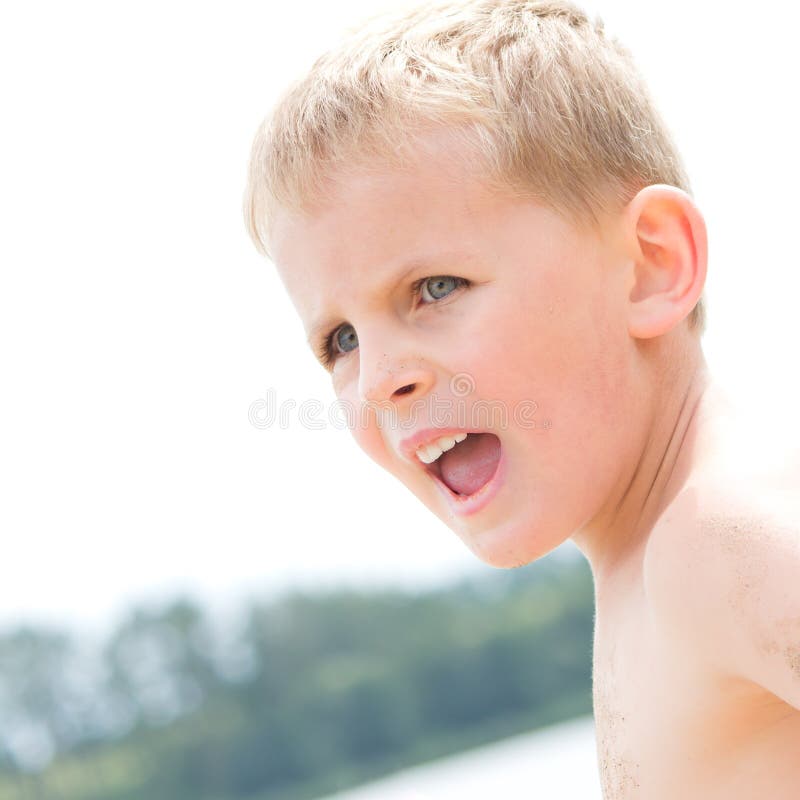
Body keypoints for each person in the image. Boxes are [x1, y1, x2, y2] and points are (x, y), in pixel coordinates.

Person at [243, 1, 800, 796]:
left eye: (435, 288)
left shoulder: (717, 543)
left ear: (650, 266)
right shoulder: (651, 562)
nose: (378, 379)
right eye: (340, 341)